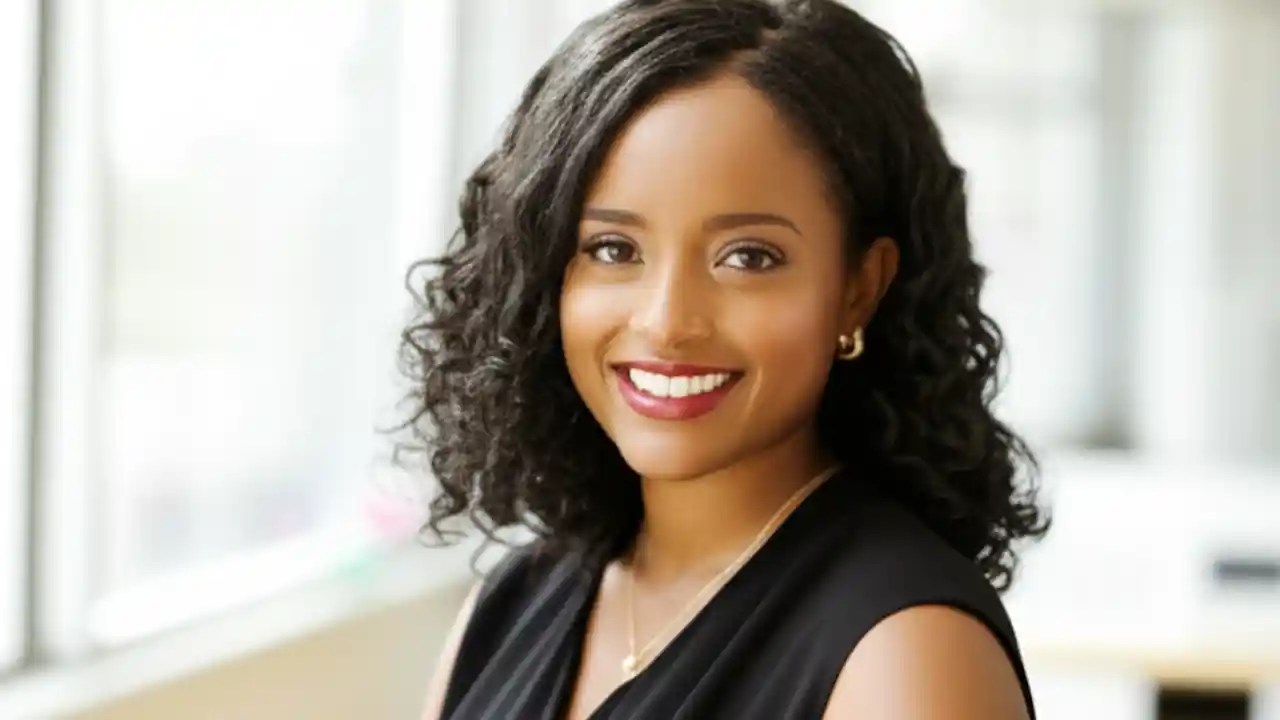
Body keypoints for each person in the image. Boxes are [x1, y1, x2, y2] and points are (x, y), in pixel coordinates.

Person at [399, 0, 1050, 717]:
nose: (668, 321)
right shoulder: (510, 605)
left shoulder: (908, 653)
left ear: (858, 290)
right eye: (614, 250)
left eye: (748, 257)